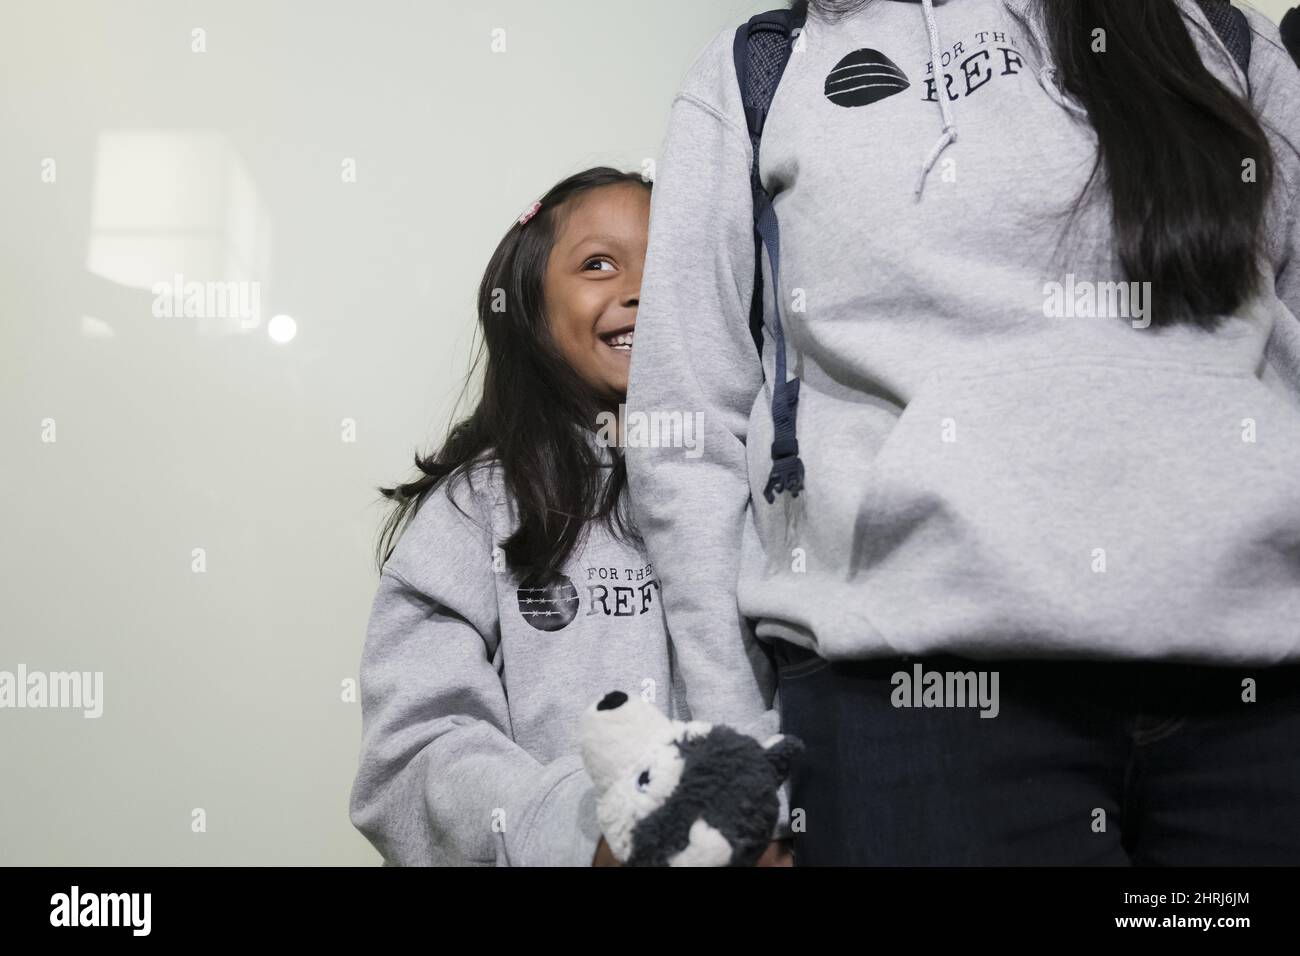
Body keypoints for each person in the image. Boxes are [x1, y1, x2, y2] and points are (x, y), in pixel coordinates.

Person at [625, 0, 1300, 864]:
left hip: (1257, 703)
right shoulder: (764, 67)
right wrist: (742, 761)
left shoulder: (1229, 43)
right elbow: (687, 427)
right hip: (920, 714)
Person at [349, 167, 730, 866]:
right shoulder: (478, 509)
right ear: (526, 305)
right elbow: (413, 752)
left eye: (666, 263)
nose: (640, 289)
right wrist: (579, 835)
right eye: (598, 263)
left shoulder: (743, 490)